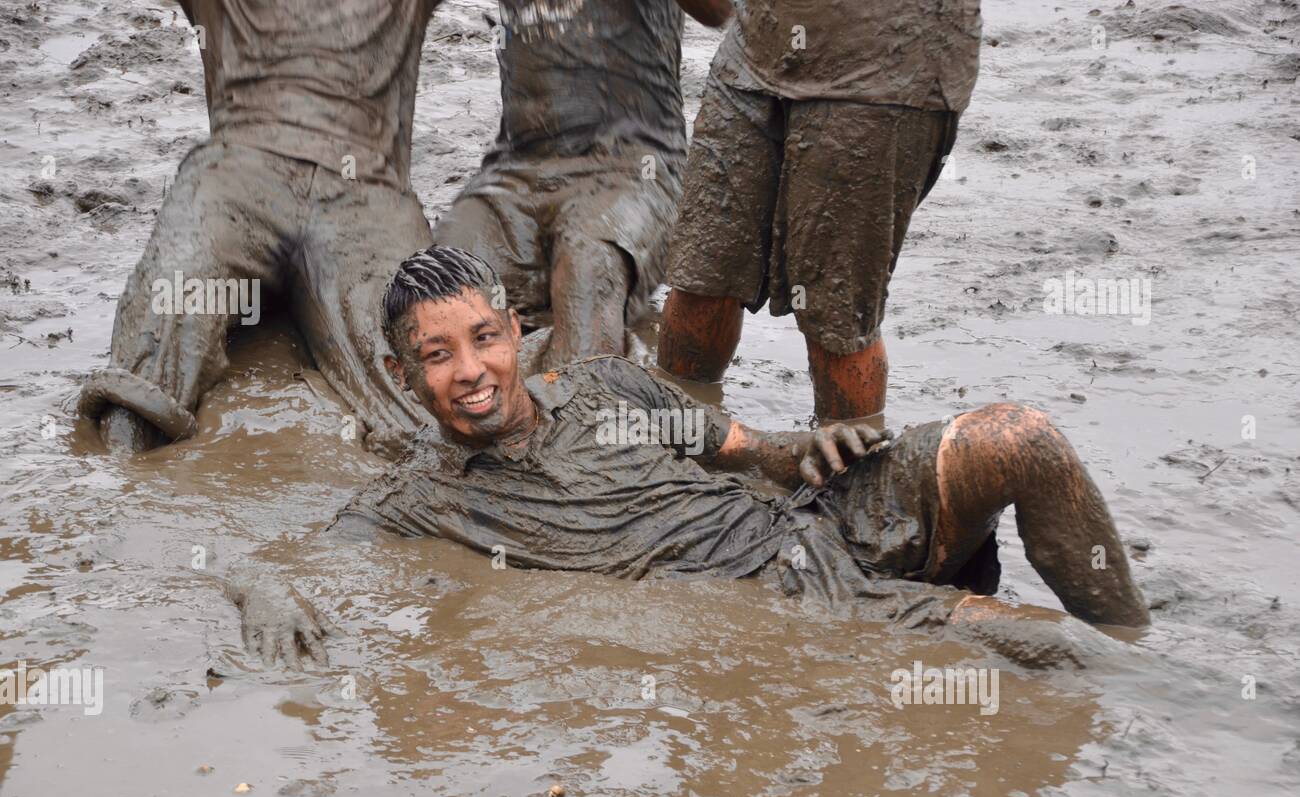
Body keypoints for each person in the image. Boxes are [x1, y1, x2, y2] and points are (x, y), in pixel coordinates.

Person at [226, 247, 1149, 668]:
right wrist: (257, 589)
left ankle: (1137, 633)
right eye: (438, 356)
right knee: (1041, 643)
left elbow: (759, 453)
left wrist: (816, 445)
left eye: (484, 338)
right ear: (401, 373)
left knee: (1019, 438)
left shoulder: (602, 387)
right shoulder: (417, 500)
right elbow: (283, 555)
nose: (471, 372)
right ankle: (1170, 699)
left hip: (818, 518)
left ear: (515, 329)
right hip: (787, 593)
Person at [77, 0, 444, 457]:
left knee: (420, 355)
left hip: (365, 191)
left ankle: (439, 491)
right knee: (165, 310)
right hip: (237, 179)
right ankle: (122, 480)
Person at [656, 0, 983, 419]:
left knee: (836, 314)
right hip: (757, 46)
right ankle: (676, 448)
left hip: (882, 65)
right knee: (701, 278)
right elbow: (715, 11)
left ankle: (845, 479)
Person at [432, 0, 733, 366]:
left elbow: (720, 12)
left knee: (590, 265)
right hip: (513, 173)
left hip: (631, 169)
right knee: (441, 283)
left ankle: (584, 407)